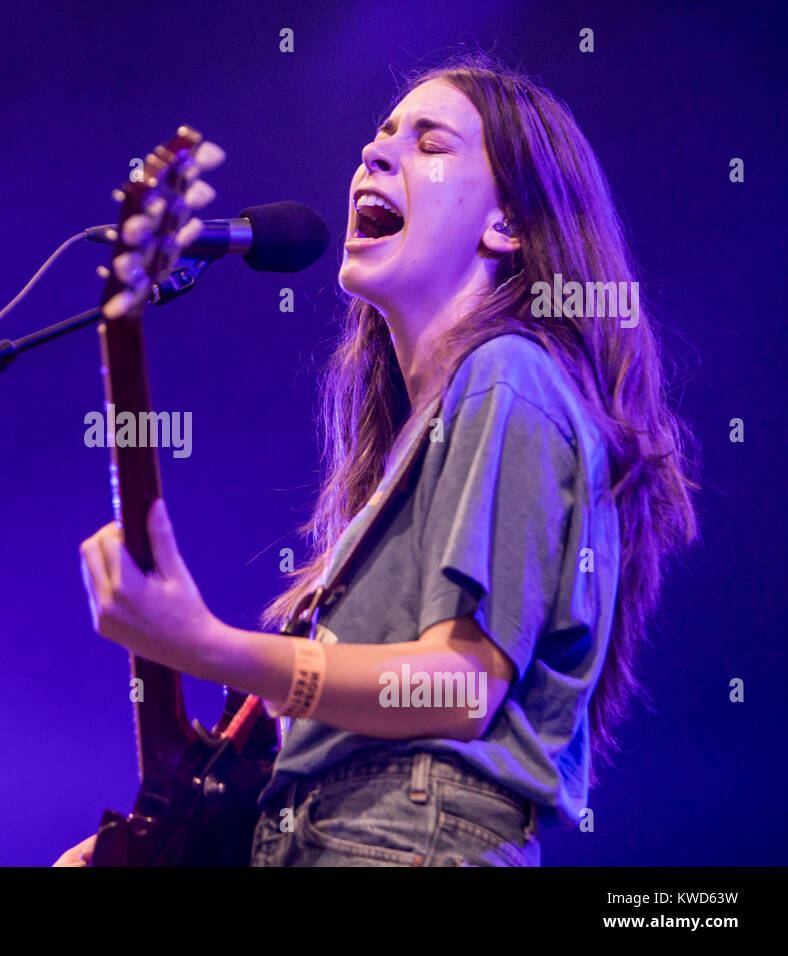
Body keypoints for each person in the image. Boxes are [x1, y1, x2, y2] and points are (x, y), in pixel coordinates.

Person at [54, 53, 698, 867]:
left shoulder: (512, 374)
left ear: (505, 225)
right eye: (382, 133)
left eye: (431, 144)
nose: (376, 152)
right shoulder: (425, 436)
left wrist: (205, 644)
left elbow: (458, 689)